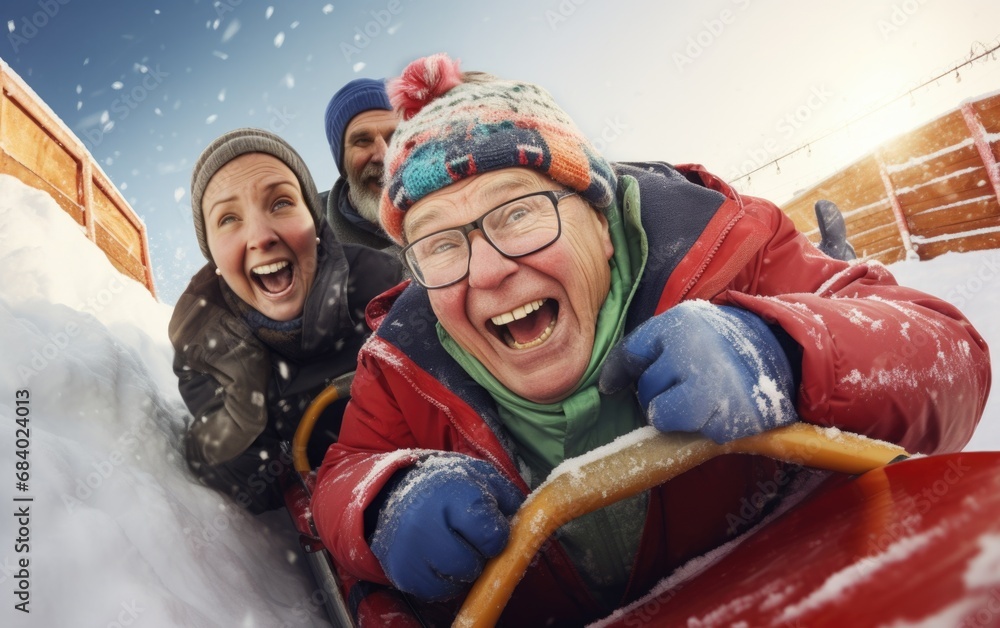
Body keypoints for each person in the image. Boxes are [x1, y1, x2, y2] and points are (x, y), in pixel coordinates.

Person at [309, 54, 991, 626]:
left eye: (518, 212)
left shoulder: (728, 249)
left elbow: (948, 352)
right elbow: (341, 480)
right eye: (439, 244)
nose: (486, 271)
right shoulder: (399, 369)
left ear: (599, 220)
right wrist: (385, 506)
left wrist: (782, 352)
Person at [168, 128, 402, 514]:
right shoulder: (202, 339)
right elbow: (256, 492)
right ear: (213, 257)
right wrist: (244, 402)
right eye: (228, 218)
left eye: (280, 203)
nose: (260, 236)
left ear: (314, 220)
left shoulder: (382, 282)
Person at [319, 77, 399, 250]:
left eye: (394, 137)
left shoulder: (457, 204)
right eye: (363, 140)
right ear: (342, 163)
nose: (384, 155)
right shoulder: (319, 252)